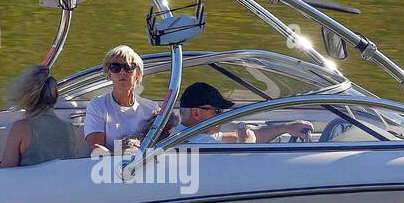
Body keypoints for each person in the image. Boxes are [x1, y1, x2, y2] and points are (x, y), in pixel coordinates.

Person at [82, 46, 161, 155]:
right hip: (108, 167)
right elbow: (96, 147)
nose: (122, 72)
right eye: (115, 67)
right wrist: (117, 157)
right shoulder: (97, 106)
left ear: (138, 74)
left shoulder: (151, 108)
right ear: (109, 74)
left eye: (129, 67)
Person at [0, 65, 82, 167]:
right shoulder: (69, 129)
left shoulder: (22, 128)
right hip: (61, 182)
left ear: (26, 97)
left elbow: (7, 171)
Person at [177, 82, 314, 143]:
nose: (222, 116)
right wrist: (247, 144)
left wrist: (285, 128)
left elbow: (234, 138)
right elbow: (239, 168)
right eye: (217, 111)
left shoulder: (197, 134)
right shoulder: (198, 143)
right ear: (196, 113)